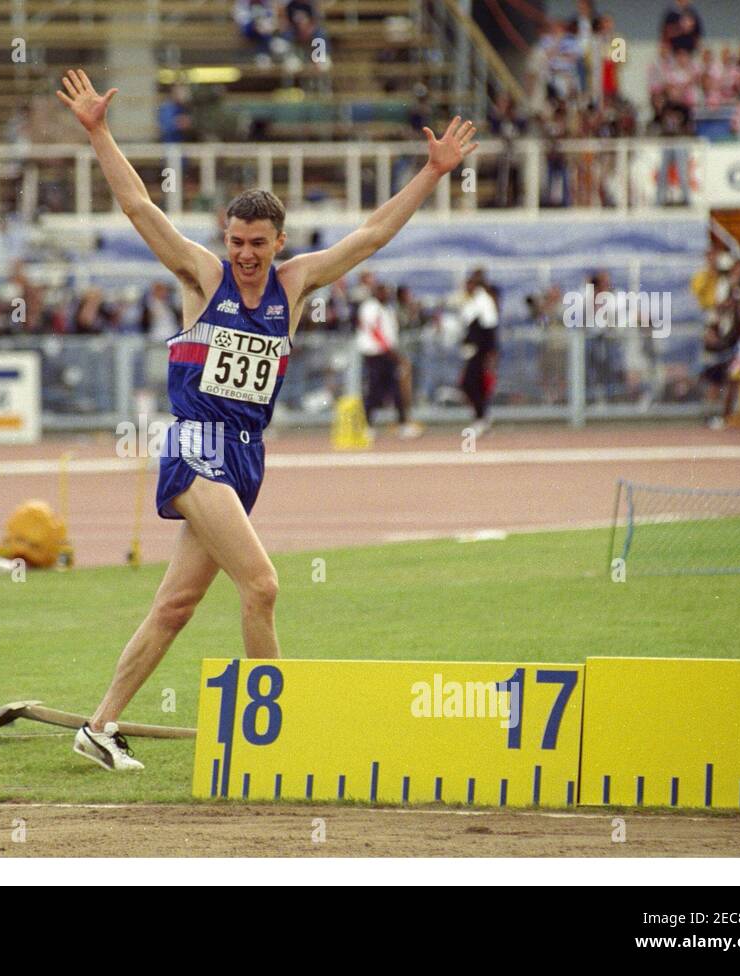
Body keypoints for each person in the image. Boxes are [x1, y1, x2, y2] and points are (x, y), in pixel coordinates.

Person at [55, 68, 476, 771]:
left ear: (279, 242)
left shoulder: (296, 283)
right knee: (264, 584)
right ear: (226, 239)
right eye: (236, 242)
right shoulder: (202, 276)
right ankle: (277, 738)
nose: (245, 256)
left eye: (258, 244)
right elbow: (137, 208)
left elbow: (372, 235)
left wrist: (432, 173)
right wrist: (99, 132)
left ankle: (99, 726)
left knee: (176, 607)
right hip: (195, 446)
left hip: (247, 457)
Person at [357, 279, 420, 437]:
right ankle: (368, 426)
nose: (387, 295)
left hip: (386, 353)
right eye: (384, 292)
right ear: (377, 292)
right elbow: (375, 331)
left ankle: (402, 424)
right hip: (376, 354)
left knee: (395, 389)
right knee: (374, 390)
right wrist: (390, 351)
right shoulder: (370, 307)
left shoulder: (386, 309)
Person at [456, 268, 499, 436]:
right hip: (474, 350)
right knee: (474, 384)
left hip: (480, 350)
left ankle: (481, 418)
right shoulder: (474, 300)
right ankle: (482, 418)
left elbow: (488, 327)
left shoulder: (483, 300)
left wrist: (489, 352)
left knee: (470, 383)